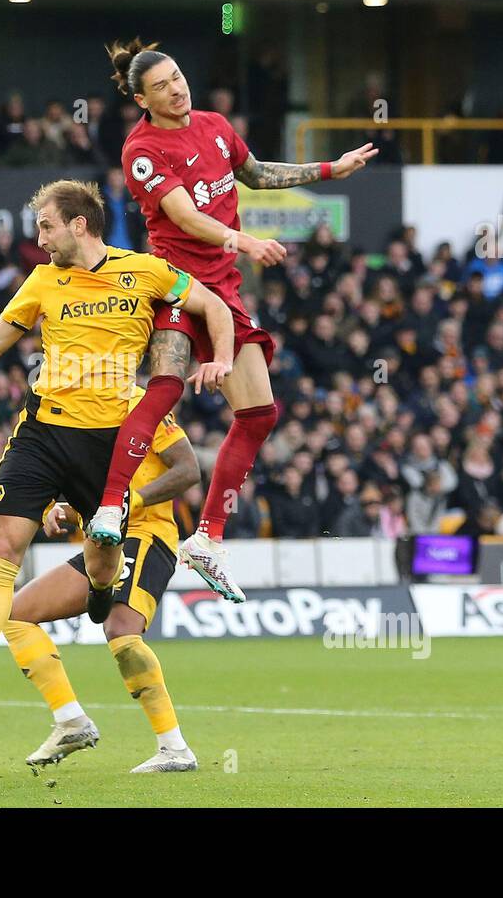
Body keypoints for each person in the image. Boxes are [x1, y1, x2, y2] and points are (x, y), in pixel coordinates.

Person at [0, 178, 233, 727]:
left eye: (46, 225)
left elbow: (214, 306)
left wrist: (223, 360)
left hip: (108, 441)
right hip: (43, 429)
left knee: (102, 553)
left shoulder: (146, 271)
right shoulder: (43, 280)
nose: (40, 238)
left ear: (79, 224)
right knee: (3, 544)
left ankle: (99, 590)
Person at [87, 38, 377, 601]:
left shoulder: (216, 125)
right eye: (163, 85)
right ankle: (110, 502)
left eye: (177, 76)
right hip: (174, 283)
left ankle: (207, 539)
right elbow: (183, 216)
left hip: (223, 286)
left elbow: (257, 173)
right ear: (143, 100)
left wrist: (328, 169)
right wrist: (243, 239)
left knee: (260, 414)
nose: (177, 87)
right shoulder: (142, 149)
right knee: (167, 386)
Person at [4, 387, 201, 773]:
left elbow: (188, 469)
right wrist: (61, 509)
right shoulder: (66, 415)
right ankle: (71, 721)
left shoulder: (140, 403)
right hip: (100, 541)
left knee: (122, 628)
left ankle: (174, 748)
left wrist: (130, 503)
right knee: (16, 614)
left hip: (144, 533)